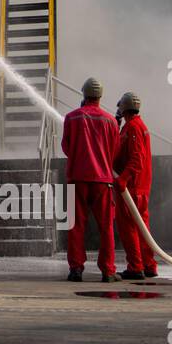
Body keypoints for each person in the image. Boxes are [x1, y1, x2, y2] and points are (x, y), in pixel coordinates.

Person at [60, 78, 121, 282]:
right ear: (100, 96)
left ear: (83, 94)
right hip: (103, 181)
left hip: (77, 179)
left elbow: (66, 148)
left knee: (76, 226)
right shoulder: (111, 121)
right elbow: (114, 152)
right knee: (106, 227)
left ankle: (76, 269)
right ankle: (108, 271)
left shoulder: (72, 118)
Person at [113, 92, 157, 279]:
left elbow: (137, 158)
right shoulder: (138, 126)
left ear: (124, 108)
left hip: (131, 188)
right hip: (141, 187)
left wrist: (123, 178)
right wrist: (117, 123)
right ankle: (149, 265)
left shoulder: (132, 128)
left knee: (128, 228)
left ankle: (135, 266)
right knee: (142, 228)